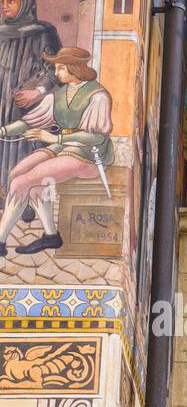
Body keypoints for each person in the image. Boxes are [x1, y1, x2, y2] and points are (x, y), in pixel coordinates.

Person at [0, 47, 112, 257]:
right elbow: (28, 122)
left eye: (61, 68)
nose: (57, 73)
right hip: (61, 147)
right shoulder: (58, 96)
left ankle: (0, 240)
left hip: (87, 153)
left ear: (75, 69)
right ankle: (51, 236)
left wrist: (56, 138)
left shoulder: (98, 96)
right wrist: (4, 130)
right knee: (16, 174)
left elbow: (97, 137)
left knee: (21, 183)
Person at [0, 0, 61, 189]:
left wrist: (38, 91)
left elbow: (55, 68)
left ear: (25, 3)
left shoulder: (43, 32)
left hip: (26, 104)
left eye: (11, 1)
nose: (5, 6)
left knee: (23, 148)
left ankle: (23, 198)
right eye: (3, 2)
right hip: (1, 101)